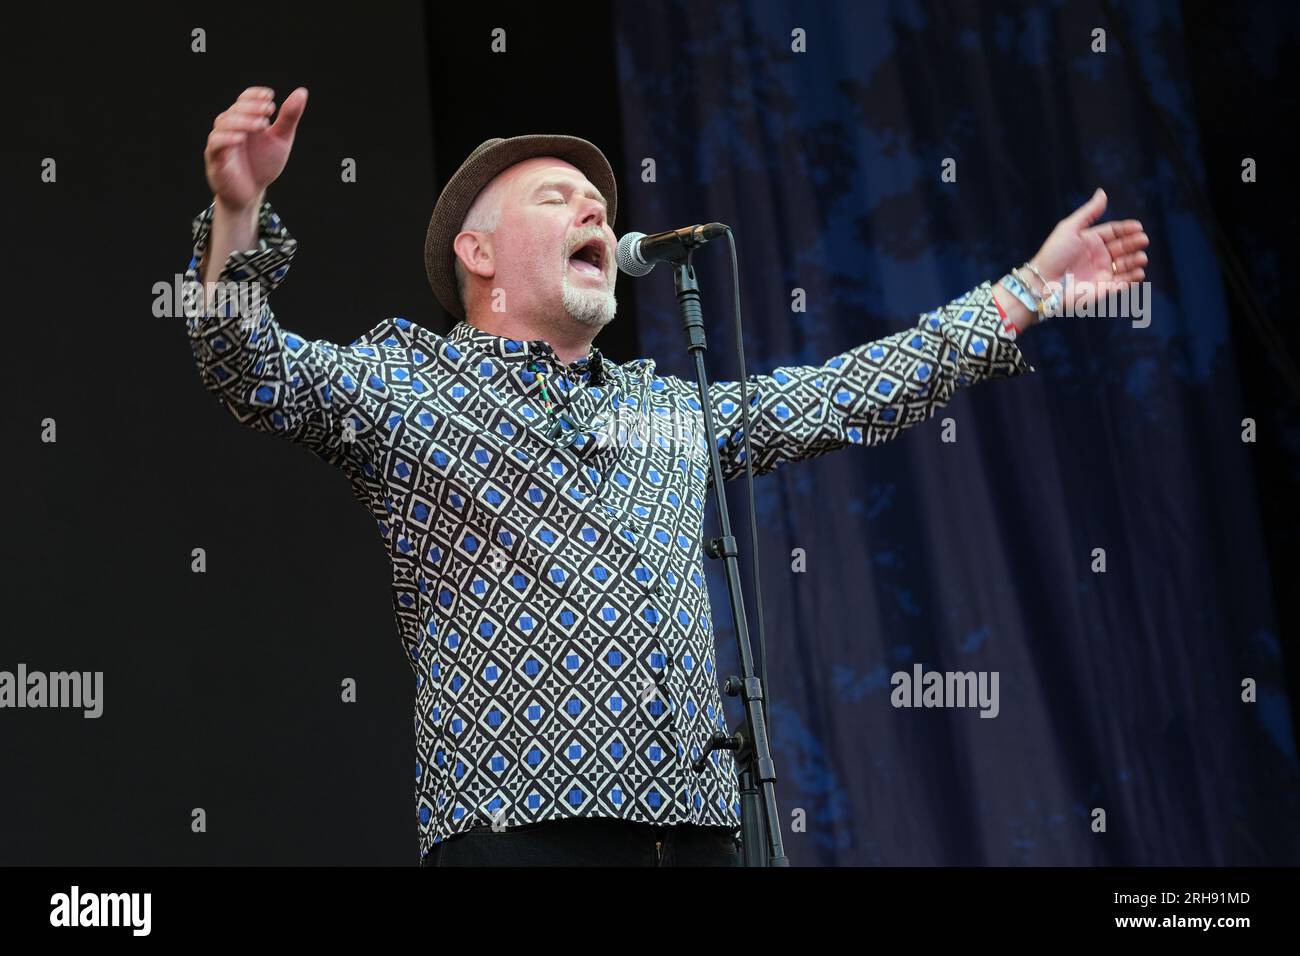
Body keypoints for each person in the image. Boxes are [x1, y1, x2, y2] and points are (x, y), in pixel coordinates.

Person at [186, 86, 1150, 867]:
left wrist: (1025, 291)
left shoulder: (665, 406)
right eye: (554, 199)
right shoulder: (406, 385)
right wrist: (239, 211)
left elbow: (846, 394)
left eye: (596, 199)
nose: (594, 208)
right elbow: (250, 366)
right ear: (478, 257)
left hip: (697, 832)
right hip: (519, 834)